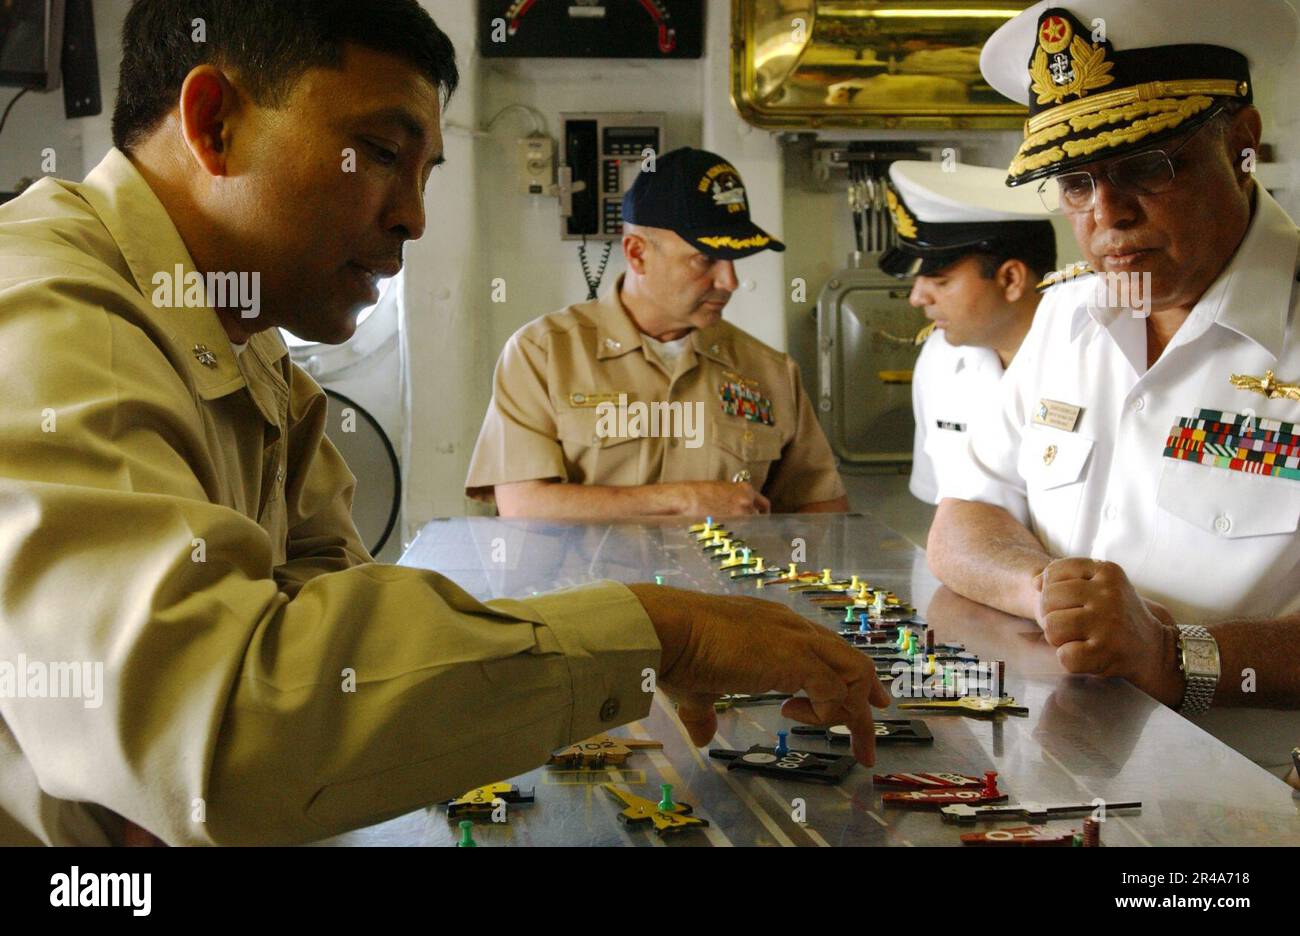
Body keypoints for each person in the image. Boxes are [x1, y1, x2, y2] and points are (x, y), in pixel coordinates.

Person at [0, 0, 887, 846]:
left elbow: (333, 633)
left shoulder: (255, 354)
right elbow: (220, 737)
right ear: (213, 123)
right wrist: (659, 634)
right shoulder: (51, 317)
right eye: (379, 154)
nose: (414, 218)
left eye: (425, 176)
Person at [926, 0, 1300, 749]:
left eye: (1145, 166)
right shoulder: (1067, 319)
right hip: (1058, 769)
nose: (1108, 213)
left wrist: (1173, 655)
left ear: (1242, 144)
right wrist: (1046, 591)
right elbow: (965, 515)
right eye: (1075, 183)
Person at [465, 147, 849, 519]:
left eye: (734, 260)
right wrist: (683, 500)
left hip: (720, 587)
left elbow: (819, 506)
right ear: (637, 253)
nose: (729, 281)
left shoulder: (770, 372)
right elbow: (524, 505)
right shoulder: (545, 354)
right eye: (706, 258)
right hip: (588, 586)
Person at [878, 160, 1056, 505]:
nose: (917, 298)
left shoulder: (1099, 358)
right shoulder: (940, 359)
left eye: (940, 282)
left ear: (1010, 279)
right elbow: (942, 508)